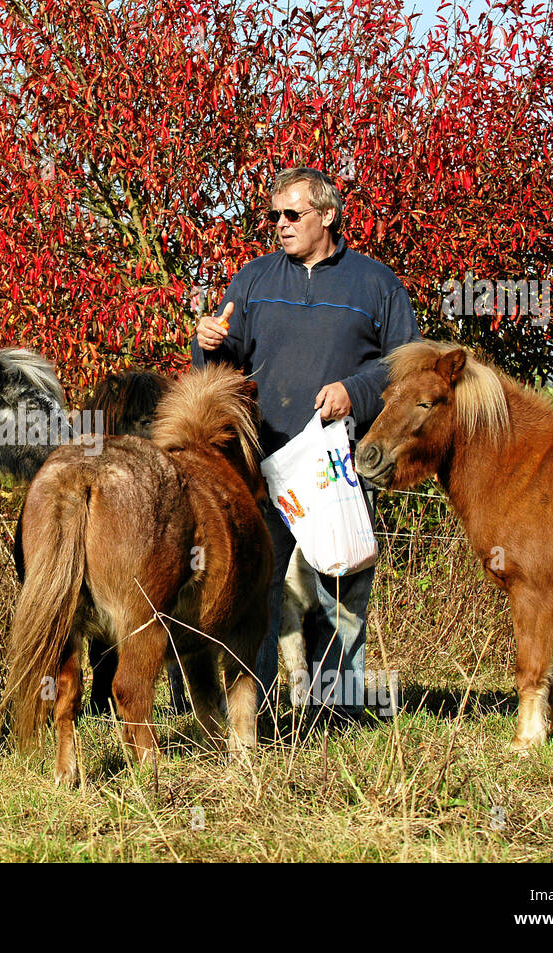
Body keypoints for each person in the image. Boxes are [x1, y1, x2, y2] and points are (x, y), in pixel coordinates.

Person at [192, 167, 419, 717]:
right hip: (263, 464)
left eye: (292, 215)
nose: (280, 225)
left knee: (337, 591)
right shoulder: (254, 279)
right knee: (257, 588)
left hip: (339, 464)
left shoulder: (376, 285)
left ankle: (334, 716)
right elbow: (223, 368)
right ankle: (259, 710)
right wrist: (208, 344)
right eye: (273, 216)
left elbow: (409, 370)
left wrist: (356, 392)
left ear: (329, 215)